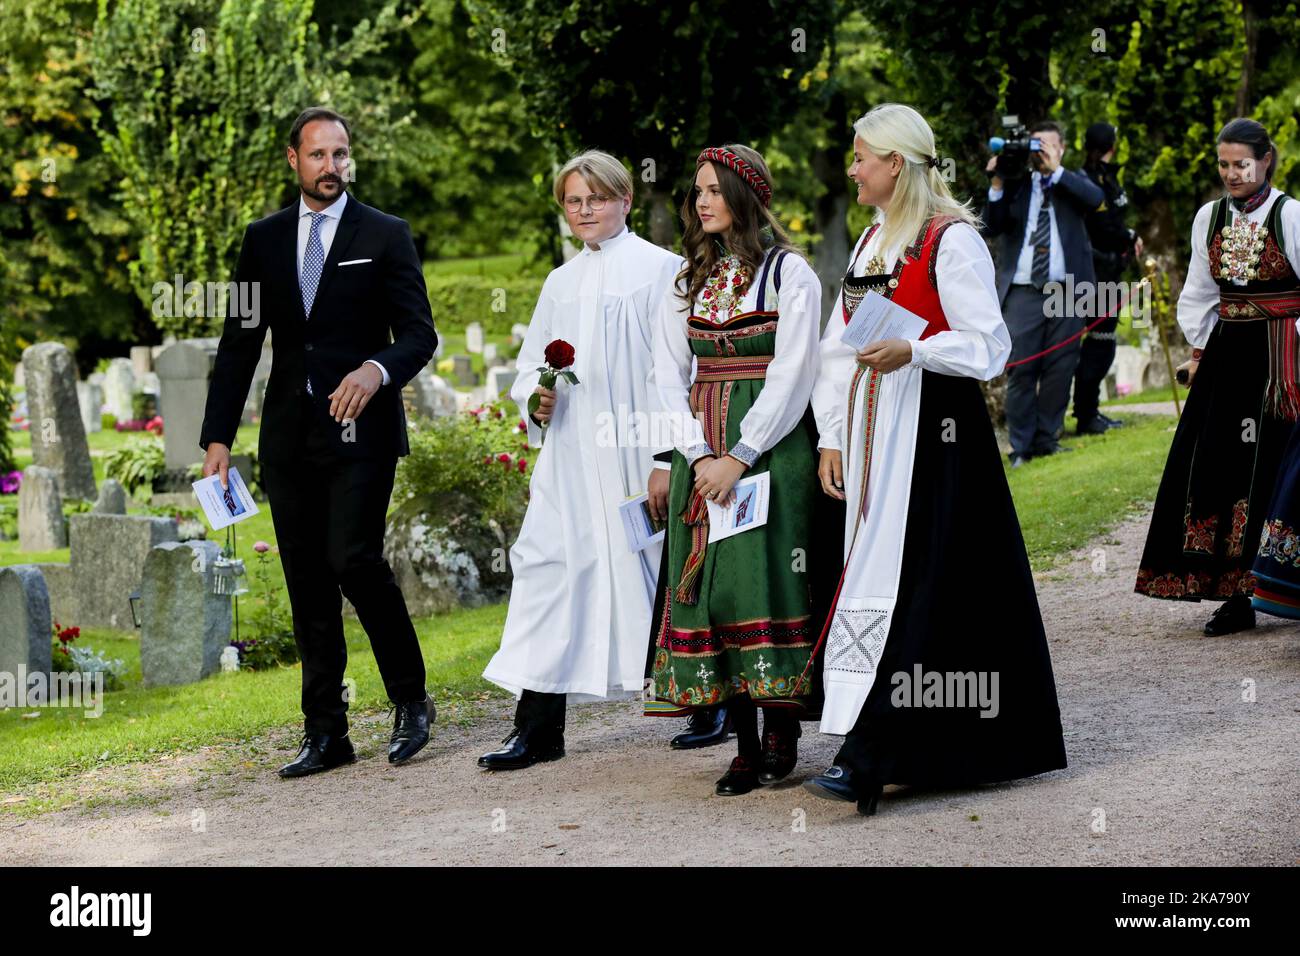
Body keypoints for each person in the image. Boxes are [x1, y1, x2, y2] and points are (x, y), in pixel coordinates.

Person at [804, 104, 1067, 816]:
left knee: (924, 585)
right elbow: (837, 345)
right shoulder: (868, 241)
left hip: (934, 435)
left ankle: (872, 755)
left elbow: (990, 346)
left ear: (894, 162)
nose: (853, 168)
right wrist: (830, 433)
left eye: (861, 157)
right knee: (874, 579)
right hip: (867, 432)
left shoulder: (950, 241)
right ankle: (897, 740)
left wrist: (916, 350)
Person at [200, 107, 438, 777]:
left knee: (354, 559)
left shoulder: (385, 234)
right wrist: (219, 436)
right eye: (319, 155)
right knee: (306, 582)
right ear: (292, 160)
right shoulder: (262, 239)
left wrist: (376, 368)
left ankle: (411, 701)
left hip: (362, 432)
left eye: (341, 154)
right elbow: (240, 340)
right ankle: (326, 732)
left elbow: (419, 334)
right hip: (287, 439)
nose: (332, 166)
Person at [478, 150, 681, 770]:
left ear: (625, 199)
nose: (585, 210)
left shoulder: (661, 271)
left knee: (663, 572)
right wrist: (535, 401)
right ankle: (538, 728)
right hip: (569, 459)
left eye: (596, 198)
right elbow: (530, 369)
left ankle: (710, 705)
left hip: (632, 449)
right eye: (573, 200)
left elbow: (675, 370)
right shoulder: (559, 282)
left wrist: (667, 456)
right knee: (546, 572)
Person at [646, 144, 823, 796]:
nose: (703, 201)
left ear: (747, 196)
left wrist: (741, 455)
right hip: (702, 450)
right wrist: (697, 458)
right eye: (697, 191)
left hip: (770, 447)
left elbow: (795, 373)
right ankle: (743, 742)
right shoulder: (685, 282)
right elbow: (667, 376)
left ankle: (782, 730)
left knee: (765, 583)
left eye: (716, 189)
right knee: (712, 592)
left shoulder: (789, 274)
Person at [1136, 118, 1300, 635]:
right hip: (1229, 357)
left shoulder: (1290, 216)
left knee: (1277, 468)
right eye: (1224, 164)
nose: (1232, 173)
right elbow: (1200, 293)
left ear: (1266, 160)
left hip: (1282, 360)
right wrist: (1200, 351)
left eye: (1241, 164)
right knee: (1222, 467)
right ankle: (1235, 592)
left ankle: (1278, 585)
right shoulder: (1209, 217)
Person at [984, 120, 1104, 466]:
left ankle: (1047, 438)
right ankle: (1020, 447)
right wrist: (997, 181)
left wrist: (1057, 171)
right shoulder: (1017, 183)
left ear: (1061, 149)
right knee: (1022, 368)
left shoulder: (1072, 183)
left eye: (1046, 146)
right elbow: (992, 225)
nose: (1039, 153)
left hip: (1067, 289)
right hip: (1024, 290)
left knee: (1060, 366)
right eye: (1034, 145)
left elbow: (1096, 199)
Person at [1074, 121, 1143, 435]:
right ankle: (1087, 415)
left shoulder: (1103, 178)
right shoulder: (1085, 181)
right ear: (1112, 145)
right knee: (1100, 344)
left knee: (1102, 343)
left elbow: (1114, 223)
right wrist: (1121, 243)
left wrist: (1130, 236)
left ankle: (1089, 411)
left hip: (1110, 271)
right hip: (1096, 275)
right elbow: (1098, 229)